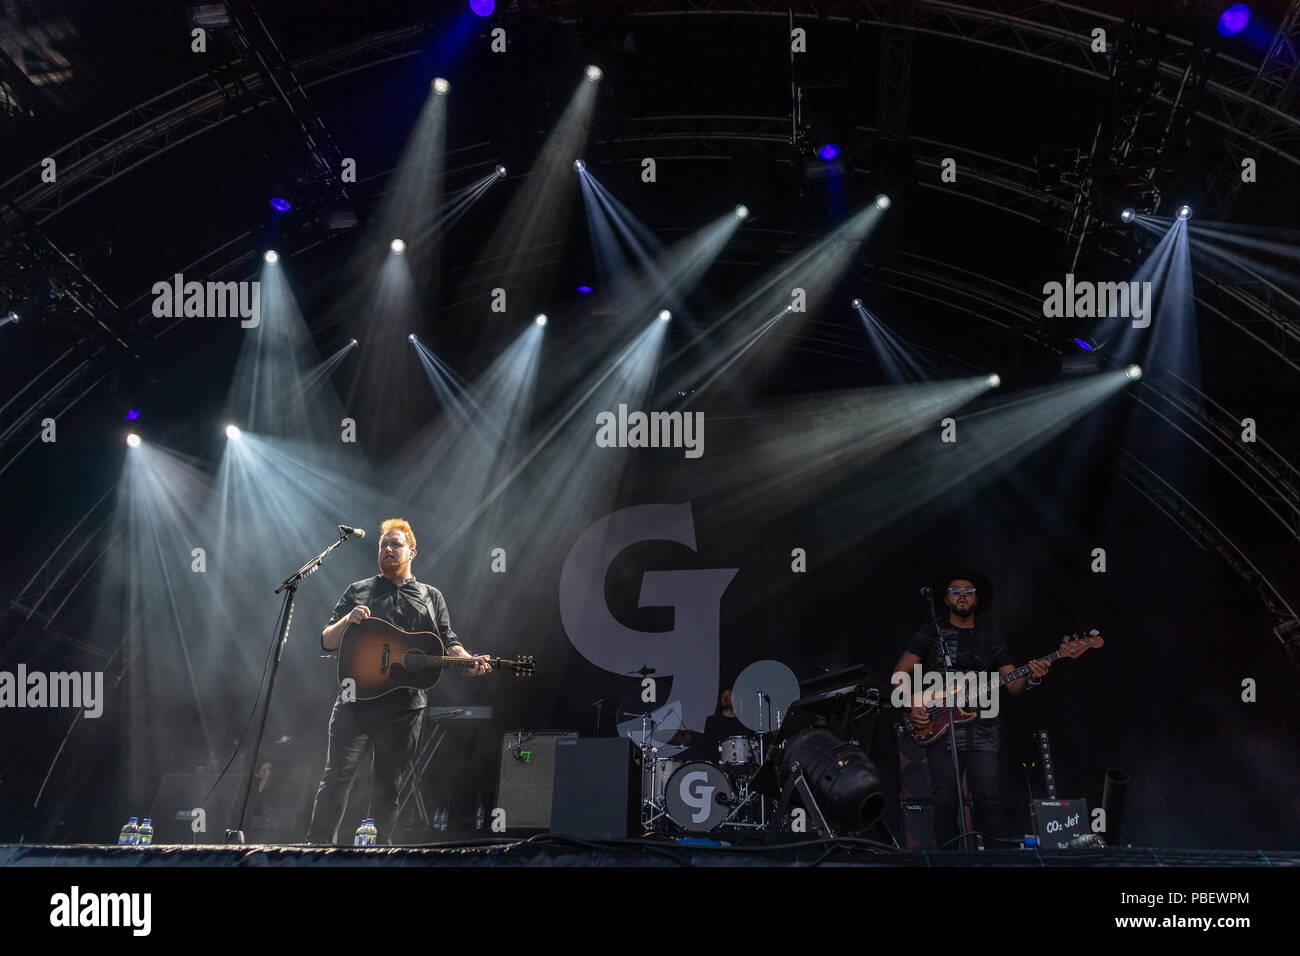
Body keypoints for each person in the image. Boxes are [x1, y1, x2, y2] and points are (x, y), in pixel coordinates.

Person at [305, 518, 492, 845]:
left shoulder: (430, 597)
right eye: (383, 545)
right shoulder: (359, 589)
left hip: (405, 708)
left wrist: (468, 661)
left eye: (395, 544)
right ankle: (315, 850)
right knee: (335, 778)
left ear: (412, 552)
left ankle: (378, 852)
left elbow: (449, 643)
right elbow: (327, 640)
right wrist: (348, 620)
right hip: (354, 703)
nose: (388, 549)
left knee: (389, 785)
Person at [892, 568, 1049, 851]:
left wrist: (1033, 676)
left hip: (984, 729)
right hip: (941, 727)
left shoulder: (991, 638)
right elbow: (900, 675)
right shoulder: (931, 633)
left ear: (977, 599)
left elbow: (1013, 686)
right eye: (956, 590)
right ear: (946, 598)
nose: (962, 595)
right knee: (945, 802)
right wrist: (912, 705)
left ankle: (995, 861)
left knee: (989, 799)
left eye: (969, 591)